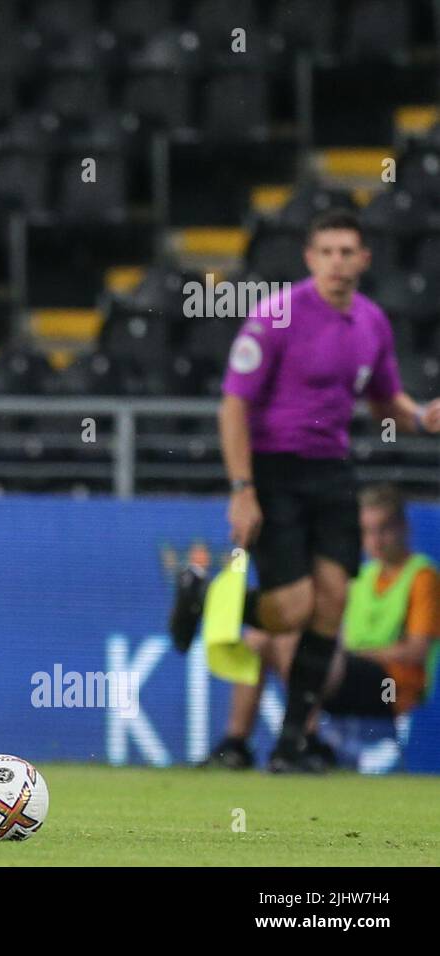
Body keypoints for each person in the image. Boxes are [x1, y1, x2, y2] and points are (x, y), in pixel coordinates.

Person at [169, 209, 440, 772]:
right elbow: (233, 404)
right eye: (328, 251)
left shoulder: (372, 323)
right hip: (275, 470)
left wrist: (420, 414)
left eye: (349, 251)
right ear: (311, 258)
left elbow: (385, 398)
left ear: (364, 259)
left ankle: (291, 743)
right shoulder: (277, 317)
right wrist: (243, 488)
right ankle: (208, 595)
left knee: (331, 604)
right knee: (292, 609)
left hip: (332, 470)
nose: (339, 262)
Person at [203, 484, 440, 769]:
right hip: (347, 671)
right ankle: (237, 743)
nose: (375, 540)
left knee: (295, 642)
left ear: (403, 527)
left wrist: (353, 654)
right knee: (261, 637)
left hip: (392, 683)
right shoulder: (362, 576)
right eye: (366, 531)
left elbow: (416, 651)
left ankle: (306, 739)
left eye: (383, 529)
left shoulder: (422, 576)